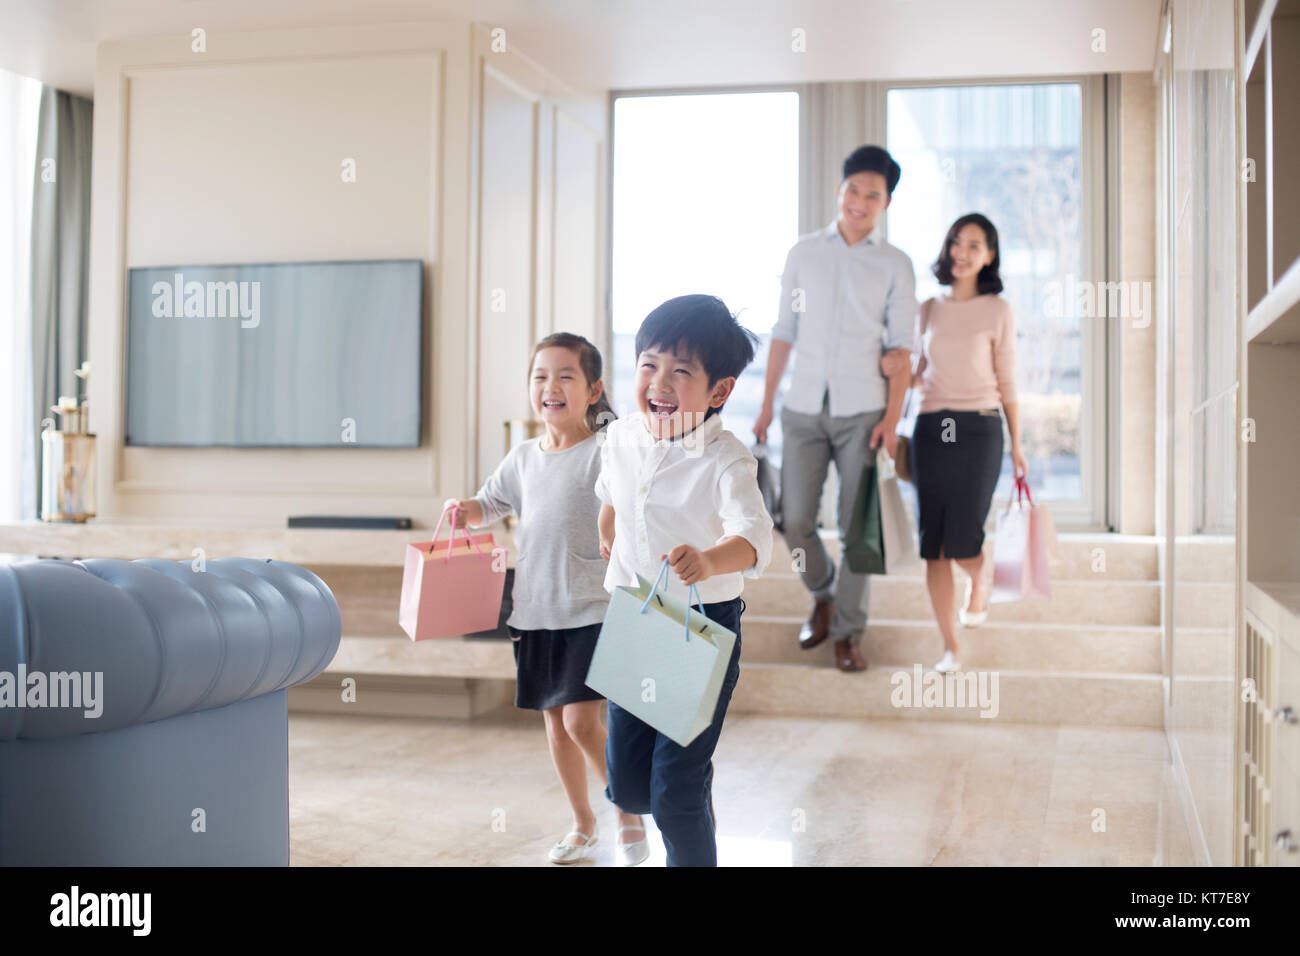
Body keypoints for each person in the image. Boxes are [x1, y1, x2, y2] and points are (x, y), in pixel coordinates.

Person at [443, 332, 644, 865]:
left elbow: (633, 500)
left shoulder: (606, 450)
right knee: (555, 725)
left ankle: (624, 808)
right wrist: (463, 509)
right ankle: (582, 824)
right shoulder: (524, 456)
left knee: (581, 721)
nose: (550, 386)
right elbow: (491, 502)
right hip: (534, 609)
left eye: (565, 376)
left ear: (593, 388)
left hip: (591, 609)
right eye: (540, 376)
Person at [596, 294, 773, 867]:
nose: (660, 382)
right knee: (629, 783)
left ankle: (690, 809)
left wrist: (709, 559)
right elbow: (611, 495)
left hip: (700, 628)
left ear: (718, 391)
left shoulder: (727, 459)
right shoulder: (622, 434)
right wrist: (609, 528)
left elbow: (754, 540)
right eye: (649, 364)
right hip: (635, 617)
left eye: (681, 371)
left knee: (673, 792)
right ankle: (692, 782)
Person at [753, 144, 916, 672]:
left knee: (857, 528)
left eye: (873, 194)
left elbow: (901, 350)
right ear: (840, 190)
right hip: (801, 408)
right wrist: (764, 406)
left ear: (885, 202)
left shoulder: (895, 265)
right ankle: (823, 593)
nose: (860, 201)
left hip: (863, 412)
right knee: (795, 519)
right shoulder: (803, 253)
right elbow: (783, 333)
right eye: (854, 190)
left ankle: (849, 632)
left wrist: (892, 421)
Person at [890, 213, 1026, 673]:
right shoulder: (928, 309)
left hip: (981, 429)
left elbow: (1007, 380)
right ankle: (950, 648)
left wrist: (1020, 447)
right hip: (930, 429)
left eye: (975, 245)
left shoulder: (997, 310)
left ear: (989, 256)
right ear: (948, 249)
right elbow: (913, 375)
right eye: (957, 243)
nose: (963, 253)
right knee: (934, 544)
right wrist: (891, 369)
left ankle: (981, 579)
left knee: (965, 540)